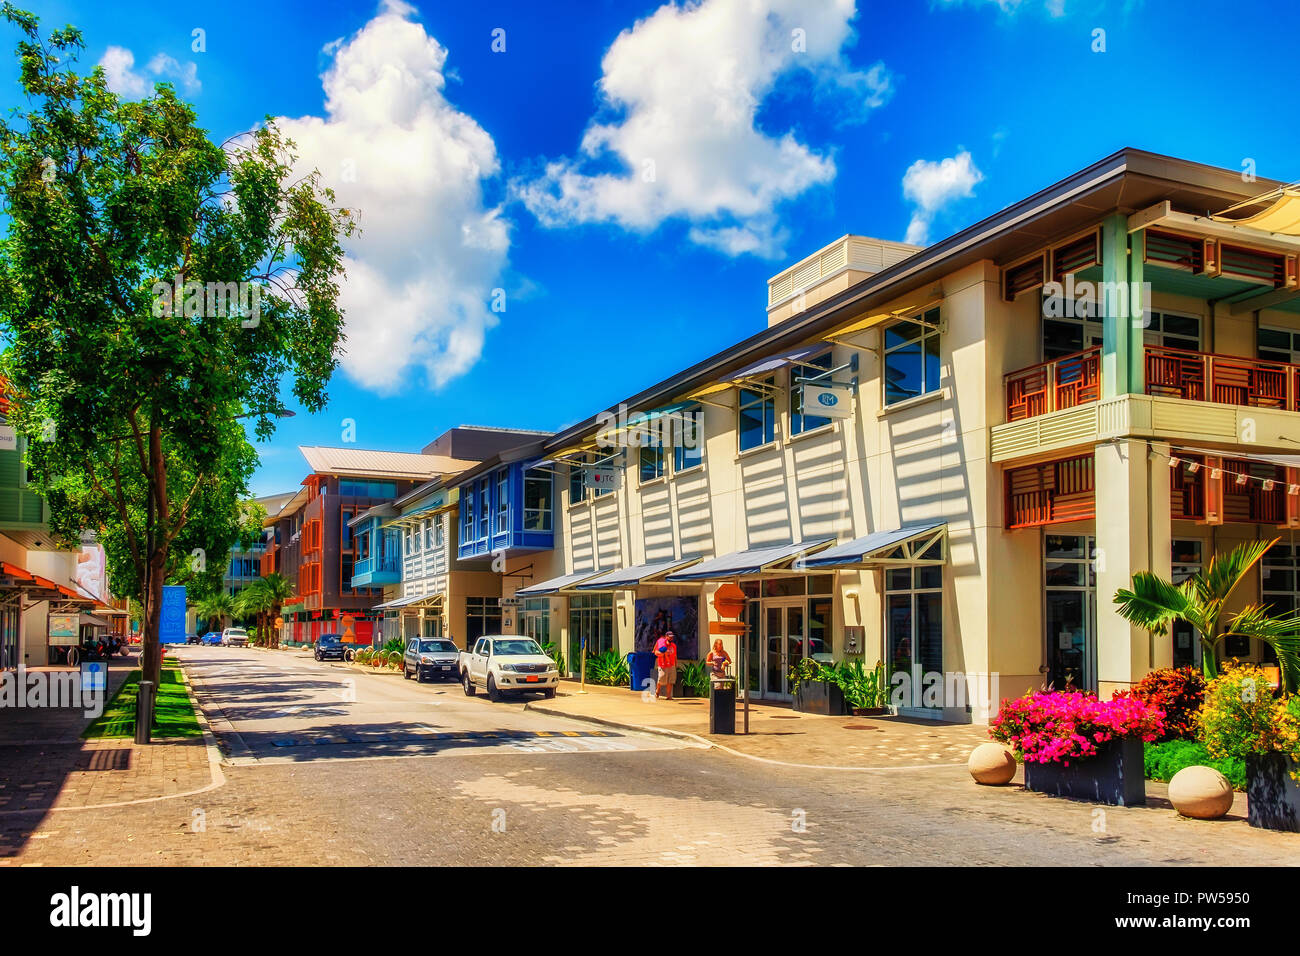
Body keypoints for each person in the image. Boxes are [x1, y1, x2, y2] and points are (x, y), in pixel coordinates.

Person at [653, 629, 678, 700]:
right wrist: (663, 654)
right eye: (670, 637)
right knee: (661, 679)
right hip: (663, 665)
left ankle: (668, 695)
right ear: (666, 636)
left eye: (672, 637)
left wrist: (675, 664)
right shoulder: (661, 644)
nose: (671, 638)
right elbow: (656, 652)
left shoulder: (673, 645)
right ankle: (657, 691)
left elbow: (675, 655)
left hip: (671, 665)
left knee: (670, 681)